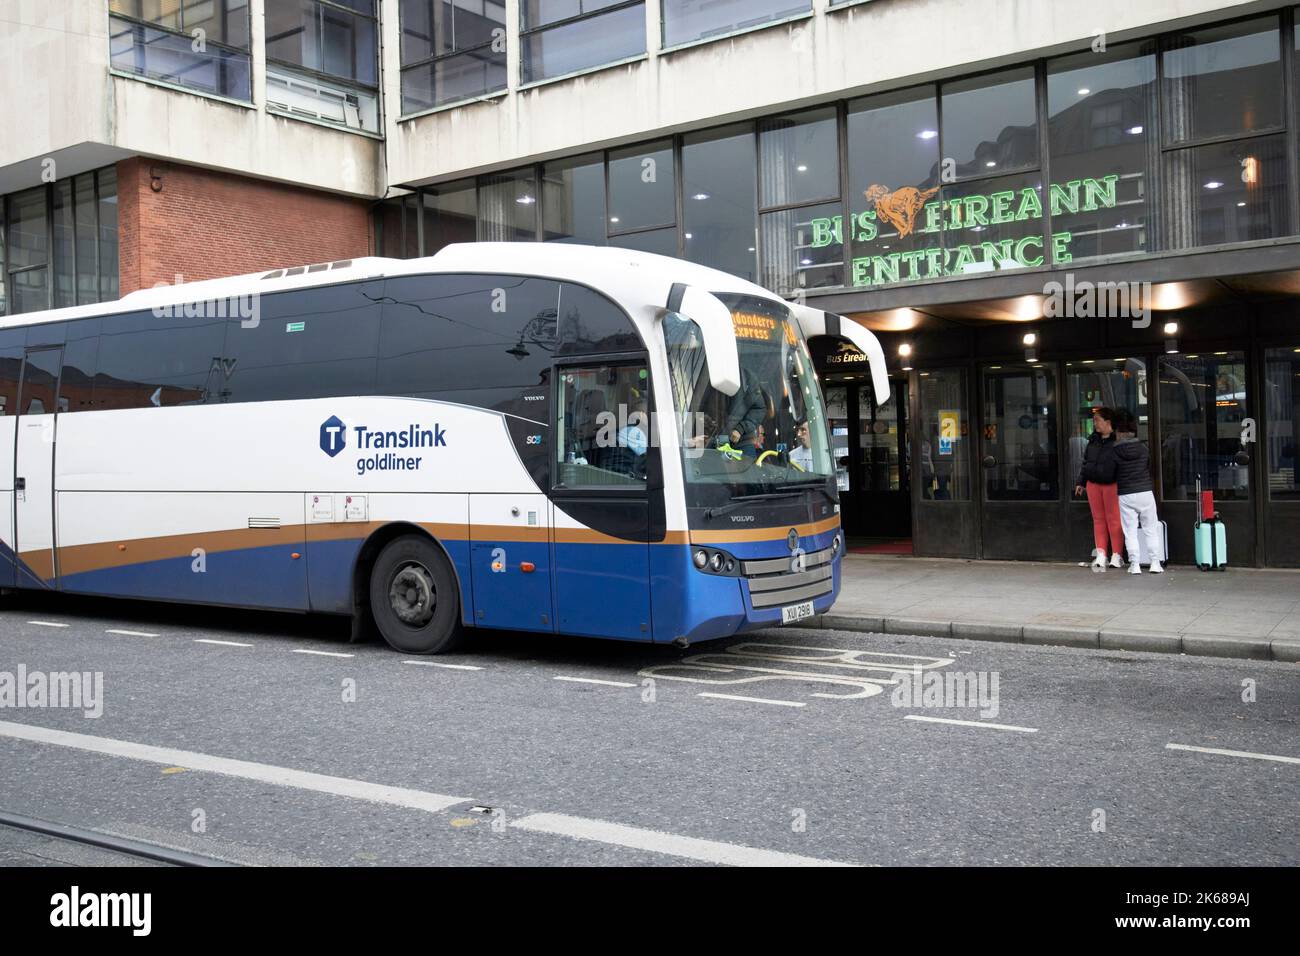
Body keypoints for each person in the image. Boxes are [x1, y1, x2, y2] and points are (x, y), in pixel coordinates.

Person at [1112, 410, 1164, 574]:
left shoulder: (1114, 451)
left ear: (1119, 433)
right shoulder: (1143, 448)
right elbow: (1149, 466)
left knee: (1130, 531)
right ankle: (1155, 563)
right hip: (1144, 491)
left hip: (1126, 493)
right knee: (1151, 528)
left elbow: (1111, 472)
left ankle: (1134, 565)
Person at [1074, 407, 1122, 572]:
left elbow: (1122, 464)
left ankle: (1117, 554)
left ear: (1108, 422)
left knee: (1114, 519)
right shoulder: (1092, 441)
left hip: (1112, 484)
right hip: (1093, 484)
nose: (1095, 423)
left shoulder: (1117, 441)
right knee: (1098, 519)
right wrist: (1081, 482)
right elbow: (1086, 462)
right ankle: (1101, 554)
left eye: (1097, 420)